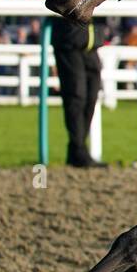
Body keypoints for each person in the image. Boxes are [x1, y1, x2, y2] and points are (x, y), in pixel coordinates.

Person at [50, 17, 106, 168]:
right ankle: (79, 150)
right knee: (76, 97)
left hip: (92, 45)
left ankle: (77, 150)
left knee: (91, 97)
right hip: (69, 42)